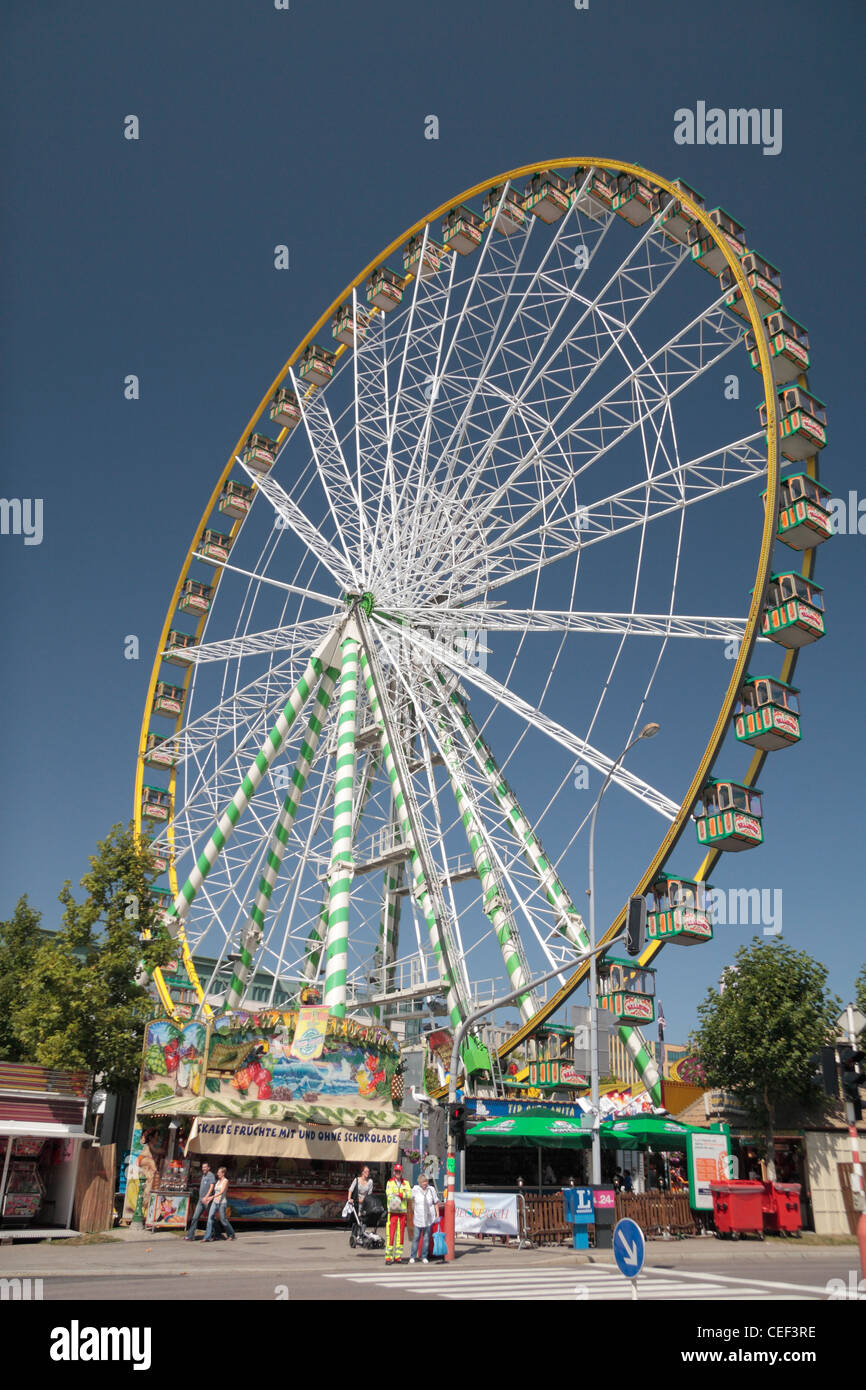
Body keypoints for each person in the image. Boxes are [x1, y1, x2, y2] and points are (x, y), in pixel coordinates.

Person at [384, 1162, 412, 1265]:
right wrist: (399, 1196)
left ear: (402, 1172)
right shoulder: (389, 1182)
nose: (397, 1173)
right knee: (390, 1235)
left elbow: (409, 1195)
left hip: (402, 1213)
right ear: (394, 1172)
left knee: (400, 1235)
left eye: (399, 1171)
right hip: (392, 1213)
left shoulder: (406, 1183)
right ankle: (388, 1257)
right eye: (396, 1171)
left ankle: (398, 1256)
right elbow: (389, 1195)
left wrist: (399, 1194)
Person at [409, 1174, 438, 1264]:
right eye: (423, 1182)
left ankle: (424, 1256)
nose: (425, 1183)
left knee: (426, 1238)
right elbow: (411, 1200)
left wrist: (437, 1214)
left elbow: (435, 1202)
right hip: (418, 1217)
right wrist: (412, 1211)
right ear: (420, 1182)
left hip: (428, 1218)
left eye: (426, 1181)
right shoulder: (415, 1189)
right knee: (416, 1237)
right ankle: (413, 1256)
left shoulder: (431, 1189)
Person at [184, 1161, 216, 1241]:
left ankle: (214, 1234)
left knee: (211, 1218)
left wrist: (206, 1197)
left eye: (205, 1167)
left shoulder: (210, 1175)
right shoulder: (204, 1175)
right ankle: (190, 1235)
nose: (203, 1169)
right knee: (195, 1217)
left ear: (209, 1168)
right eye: (202, 1167)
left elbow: (212, 1187)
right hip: (201, 1200)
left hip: (207, 1200)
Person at [204, 1166, 236, 1241]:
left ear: (223, 1173)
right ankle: (207, 1236)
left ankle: (231, 1234)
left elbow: (221, 1192)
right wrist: (210, 1199)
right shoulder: (218, 1181)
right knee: (210, 1218)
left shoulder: (226, 1181)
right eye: (217, 1172)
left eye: (219, 1172)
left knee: (223, 1220)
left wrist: (211, 1197)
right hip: (215, 1202)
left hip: (222, 1202)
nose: (217, 1173)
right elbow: (216, 1191)